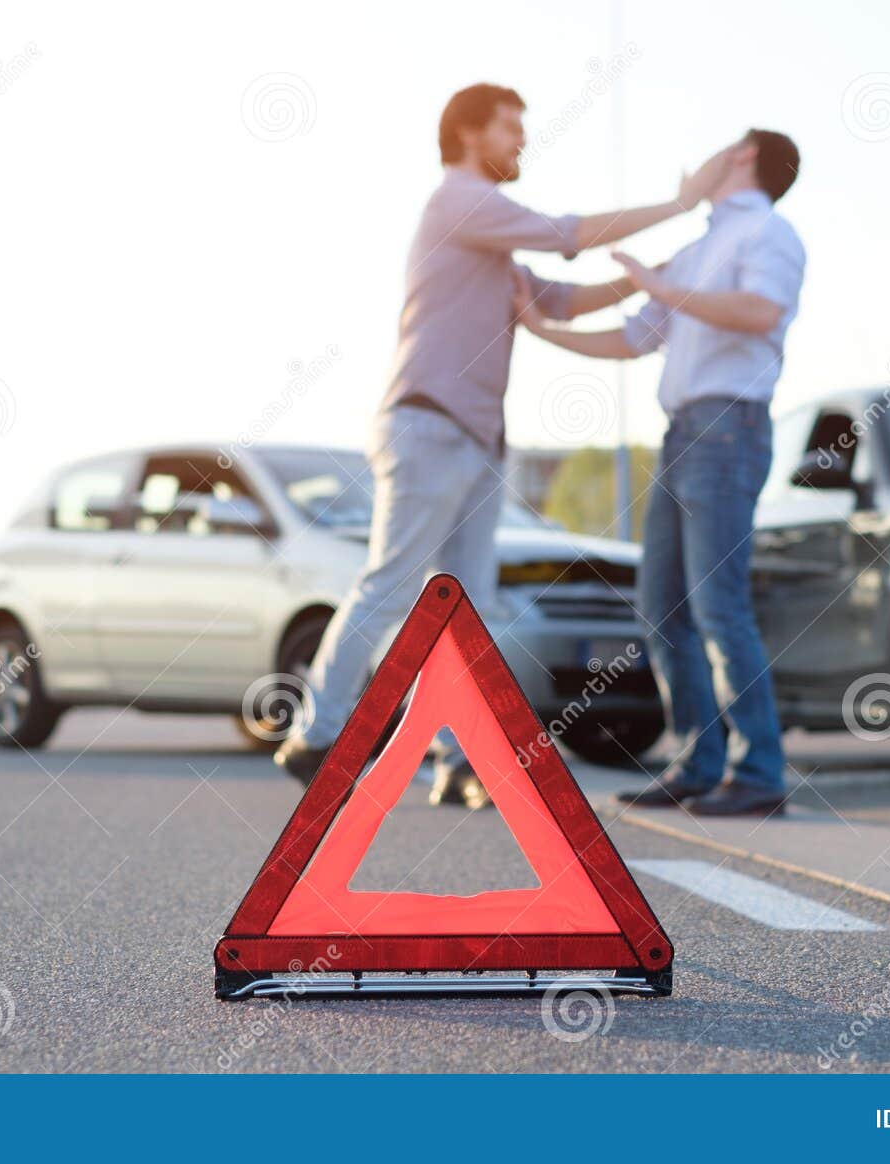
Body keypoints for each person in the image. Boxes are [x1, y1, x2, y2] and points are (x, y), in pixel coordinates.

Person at [274, 82, 732, 806]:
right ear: (468, 134)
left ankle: (458, 759)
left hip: (478, 439)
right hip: (429, 426)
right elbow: (568, 232)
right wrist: (678, 204)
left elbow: (560, 300)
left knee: (468, 608)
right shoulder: (460, 201)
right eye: (509, 127)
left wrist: (655, 277)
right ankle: (317, 734)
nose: (521, 140)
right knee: (392, 584)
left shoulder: (490, 242)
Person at [512, 129, 805, 817]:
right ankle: (699, 763)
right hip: (683, 434)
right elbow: (635, 337)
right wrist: (542, 330)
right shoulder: (700, 249)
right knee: (663, 605)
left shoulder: (769, 232)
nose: (700, 158)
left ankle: (759, 772)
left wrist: (657, 283)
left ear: (741, 157)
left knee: (718, 605)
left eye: (720, 146)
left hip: (728, 427)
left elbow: (760, 311)